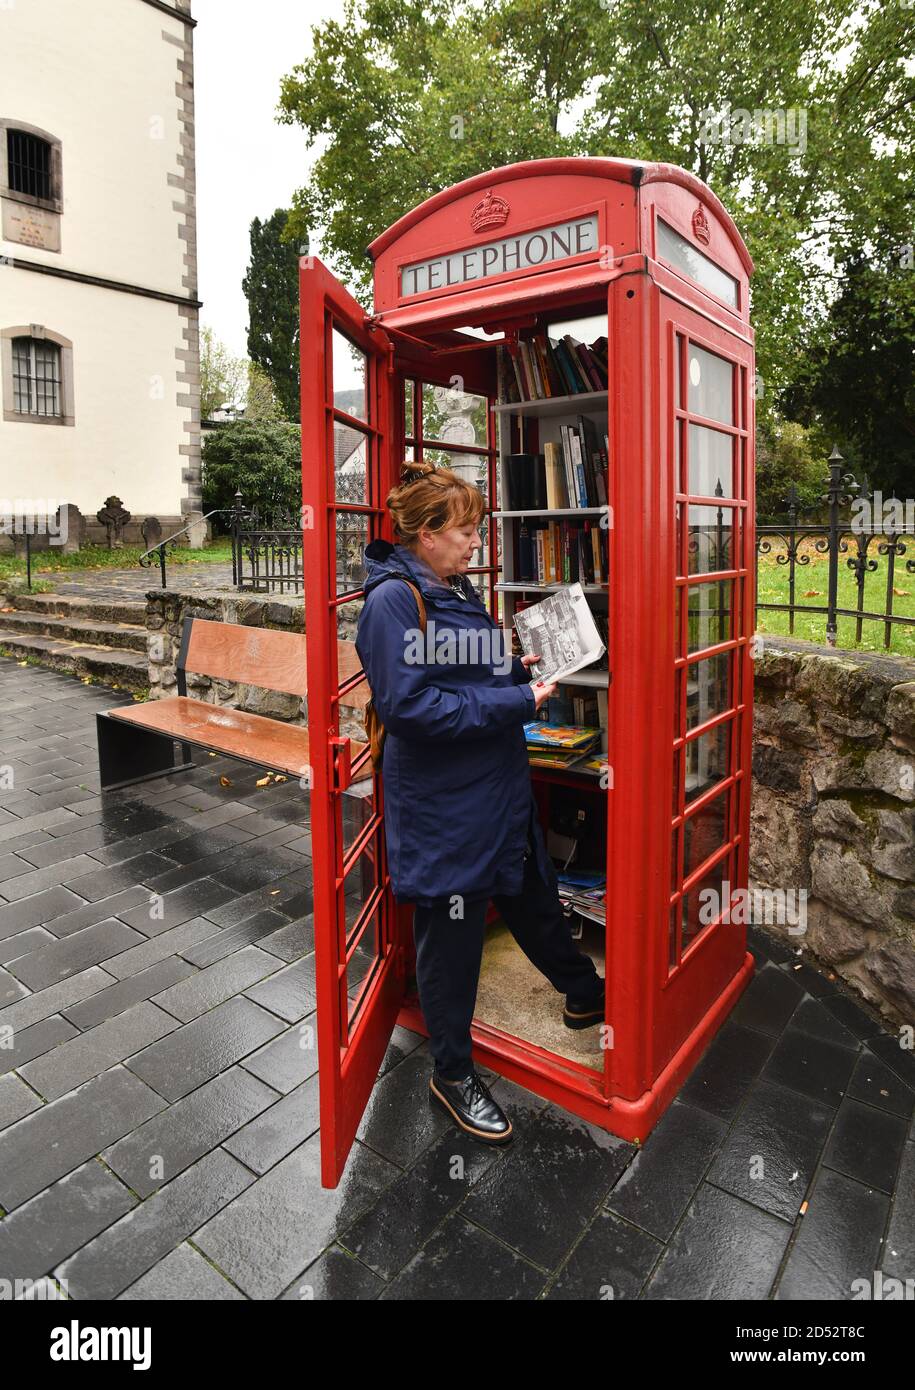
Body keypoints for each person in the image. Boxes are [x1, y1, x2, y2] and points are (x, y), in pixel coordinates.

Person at [355, 460, 605, 1146]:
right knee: (453, 940)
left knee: (531, 893)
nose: (475, 543)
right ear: (426, 532)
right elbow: (410, 707)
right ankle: (452, 1072)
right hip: (444, 803)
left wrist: (516, 667)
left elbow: (461, 667)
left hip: (496, 787)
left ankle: (582, 991)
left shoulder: (448, 586)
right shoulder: (392, 602)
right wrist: (517, 700)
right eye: (465, 530)